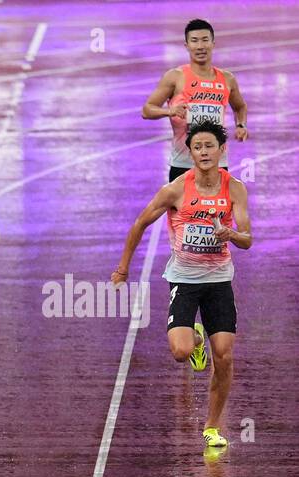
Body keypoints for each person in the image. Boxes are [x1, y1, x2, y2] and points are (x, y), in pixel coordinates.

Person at [112, 121, 251, 450]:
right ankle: (195, 337)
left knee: (225, 357)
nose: (203, 152)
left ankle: (213, 427)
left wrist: (230, 234)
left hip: (218, 281)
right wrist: (122, 268)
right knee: (181, 351)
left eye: (209, 146)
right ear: (190, 153)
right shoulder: (175, 189)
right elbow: (140, 223)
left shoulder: (235, 189)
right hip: (184, 280)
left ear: (222, 150)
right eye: (197, 147)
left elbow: (247, 238)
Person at [141, 18, 248, 182]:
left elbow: (240, 107)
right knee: (181, 208)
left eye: (205, 40)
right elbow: (147, 110)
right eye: (194, 41)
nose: (200, 46)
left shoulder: (227, 79)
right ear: (186, 45)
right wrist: (169, 111)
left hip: (217, 163)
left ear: (213, 43)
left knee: (216, 208)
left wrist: (241, 125)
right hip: (183, 163)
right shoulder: (175, 77)